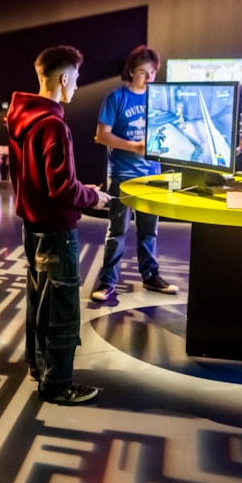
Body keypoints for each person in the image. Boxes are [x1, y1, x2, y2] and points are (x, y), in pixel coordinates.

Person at [6, 45, 112, 405]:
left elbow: (34, 178)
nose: (78, 85)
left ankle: (39, 366)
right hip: (56, 230)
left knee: (39, 301)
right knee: (62, 308)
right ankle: (57, 385)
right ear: (64, 78)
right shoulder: (53, 124)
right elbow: (62, 187)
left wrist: (81, 189)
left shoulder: (21, 116)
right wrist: (94, 198)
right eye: (77, 78)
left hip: (32, 225)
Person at [89, 45, 178, 302]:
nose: (149, 78)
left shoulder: (157, 99)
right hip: (122, 174)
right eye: (143, 72)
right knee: (117, 232)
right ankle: (107, 282)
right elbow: (102, 135)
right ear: (130, 71)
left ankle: (150, 276)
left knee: (149, 231)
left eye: (152, 72)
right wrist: (136, 147)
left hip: (152, 175)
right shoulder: (116, 97)